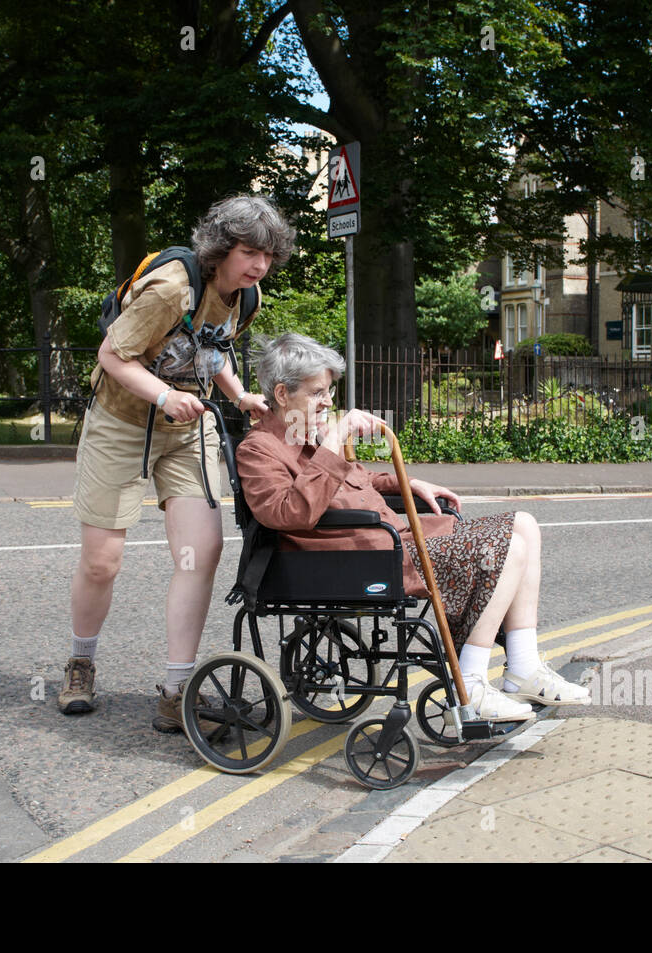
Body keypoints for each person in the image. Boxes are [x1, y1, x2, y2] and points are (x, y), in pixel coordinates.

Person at [235, 333, 590, 720]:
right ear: (283, 394)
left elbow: (356, 479)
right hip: (356, 560)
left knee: (524, 524)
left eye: (329, 391)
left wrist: (407, 484)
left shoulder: (304, 435)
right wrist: (335, 439)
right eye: (318, 392)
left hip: (387, 543)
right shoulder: (257, 450)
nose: (328, 401)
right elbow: (287, 513)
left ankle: (523, 667)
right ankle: (470, 681)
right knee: (507, 550)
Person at [61, 194, 296, 732]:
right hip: (121, 426)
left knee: (200, 553)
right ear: (221, 250)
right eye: (248, 253)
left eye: (266, 256)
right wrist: (164, 397)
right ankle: (80, 662)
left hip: (189, 430)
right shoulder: (170, 288)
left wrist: (239, 397)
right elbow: (112, 356)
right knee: (103, 562)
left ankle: (175, 689)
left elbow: (209, 351)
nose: (259, 265)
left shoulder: (246, 296)